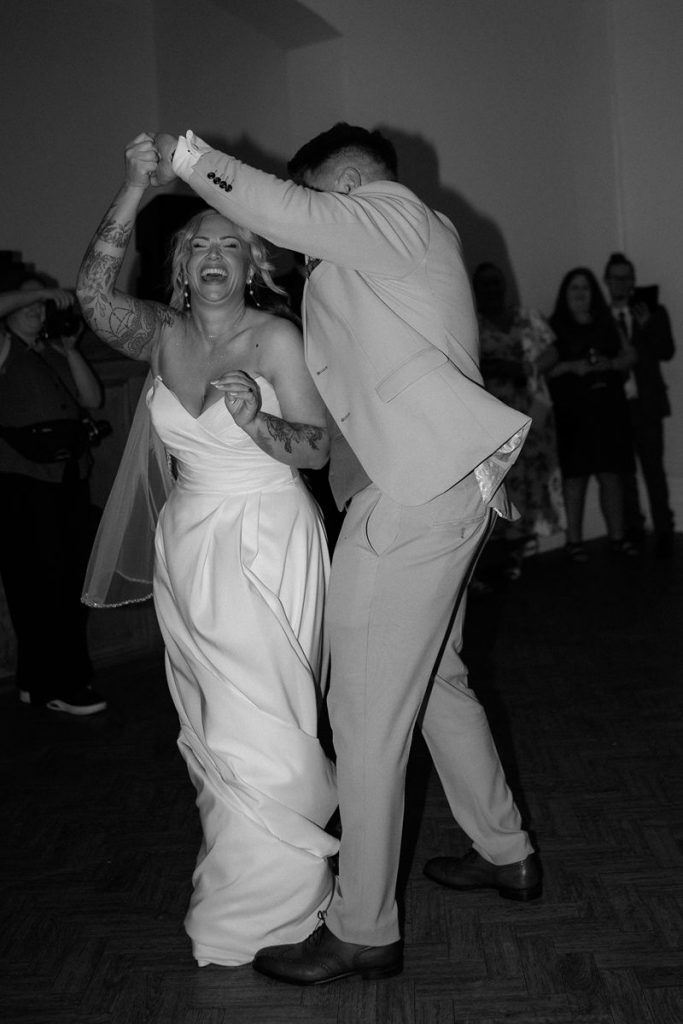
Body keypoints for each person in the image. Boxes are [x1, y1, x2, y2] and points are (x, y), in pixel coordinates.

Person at [152, 121, 541, 986]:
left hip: (410, 497)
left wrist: (186, 160)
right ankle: (504, 849)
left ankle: (361, 926)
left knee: (362, 713)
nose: (316, 211)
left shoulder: (393, 212)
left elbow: (285, 213)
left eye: (320, 193)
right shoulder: (377, 260)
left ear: (350, 178)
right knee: (435, 682)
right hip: (430, 487)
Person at [76, 134, 339, 967]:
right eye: (199, 246)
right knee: (217, 731)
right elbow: (90, 294)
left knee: (265, 725)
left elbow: (315, 452)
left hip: (267, 538)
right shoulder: (158, 335)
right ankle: (238, 890)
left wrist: (257, 421)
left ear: (252, 261)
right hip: (189, 549)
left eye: (232, 242)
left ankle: (289, 902)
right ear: (181, 269)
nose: (215, 254)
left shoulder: (275, 341)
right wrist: (132, 190)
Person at [0, 267, 107, 714]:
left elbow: (94, 400)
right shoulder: (4, 348)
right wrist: (44, 288)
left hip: (66, 484)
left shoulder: (50, 351)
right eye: (24, 303)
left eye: (40, 304)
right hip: (24, 486)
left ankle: (36, 682)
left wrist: (72, 350)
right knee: (42, 589)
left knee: (66, 586)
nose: (34, 310)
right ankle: (63, 685)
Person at [473, 262, 564, 580]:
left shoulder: (528, 318)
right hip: (495, 423)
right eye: (483, 284)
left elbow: (553, 351)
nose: (491, 289)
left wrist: (524, 368)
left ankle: (525, 553)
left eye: (495, 283)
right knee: (503, 483)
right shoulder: (472, 324)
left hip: (532, 416)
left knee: (533, 481)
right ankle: (500, 558)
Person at [547, 267, 637, 563]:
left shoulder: (607, 323)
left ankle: (617, 537)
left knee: (611, 475)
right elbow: (544, 370)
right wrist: (574, 367)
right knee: (576, 478)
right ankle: (574, 541)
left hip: (609, 409)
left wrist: (609, 363)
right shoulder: (554, 327)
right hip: (574, 412)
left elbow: (629, 357)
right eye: (575, 288)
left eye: (586, 288)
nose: (581, 293)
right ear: (565, 293)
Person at [603, 253, 676, 557]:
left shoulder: (654, 312)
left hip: (647, 403)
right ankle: (635, 527)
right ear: (607, 281)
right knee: (624, 473)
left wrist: (645, 327)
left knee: (653, 470)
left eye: (627, 277)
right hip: (616, 406)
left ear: (633, 281)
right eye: (616, 277)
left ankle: (664, 529)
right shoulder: (601, 317)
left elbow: (666, 351)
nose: (622, 283)